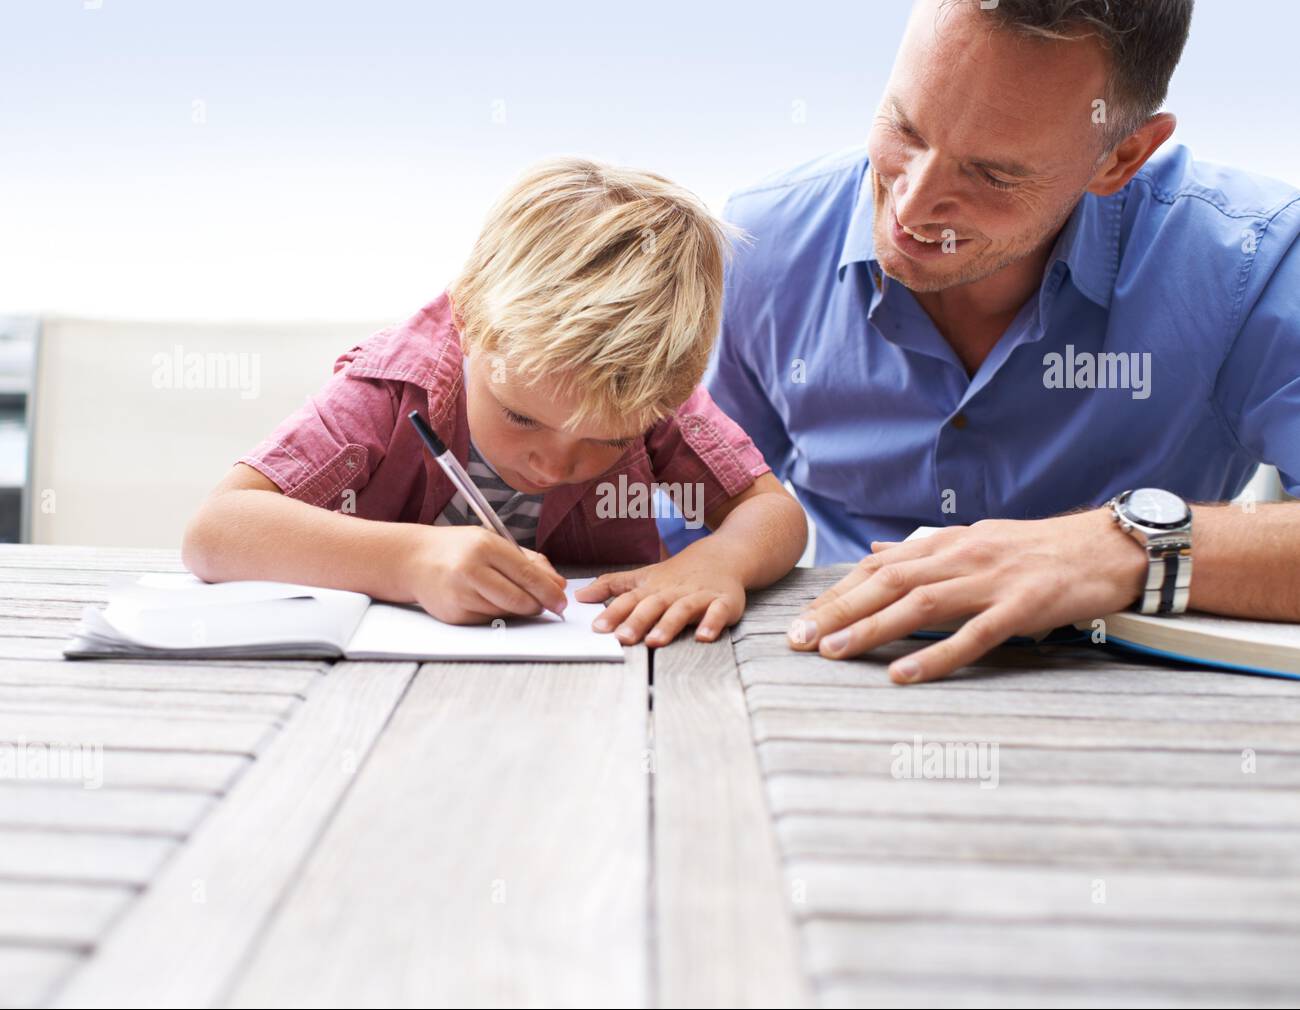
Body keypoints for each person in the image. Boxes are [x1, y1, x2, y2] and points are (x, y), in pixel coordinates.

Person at [697, 0, 1300, 683]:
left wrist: (1115, 548)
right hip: (811, 676)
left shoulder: (1252, 263)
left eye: (991, 174)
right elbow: (687, 512)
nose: (912, 206)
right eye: (904, 128)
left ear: (1121, 156)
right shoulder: (758, 245)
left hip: (1132, 720)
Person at [182, 159, 807, 647]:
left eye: (611, 441)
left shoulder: (643, 383)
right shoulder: (395, 386)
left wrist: (719, 560)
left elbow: (773, 513)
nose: (556, 466)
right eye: (521, 416)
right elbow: (218, 532)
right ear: (468, 320)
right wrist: (410, 561)